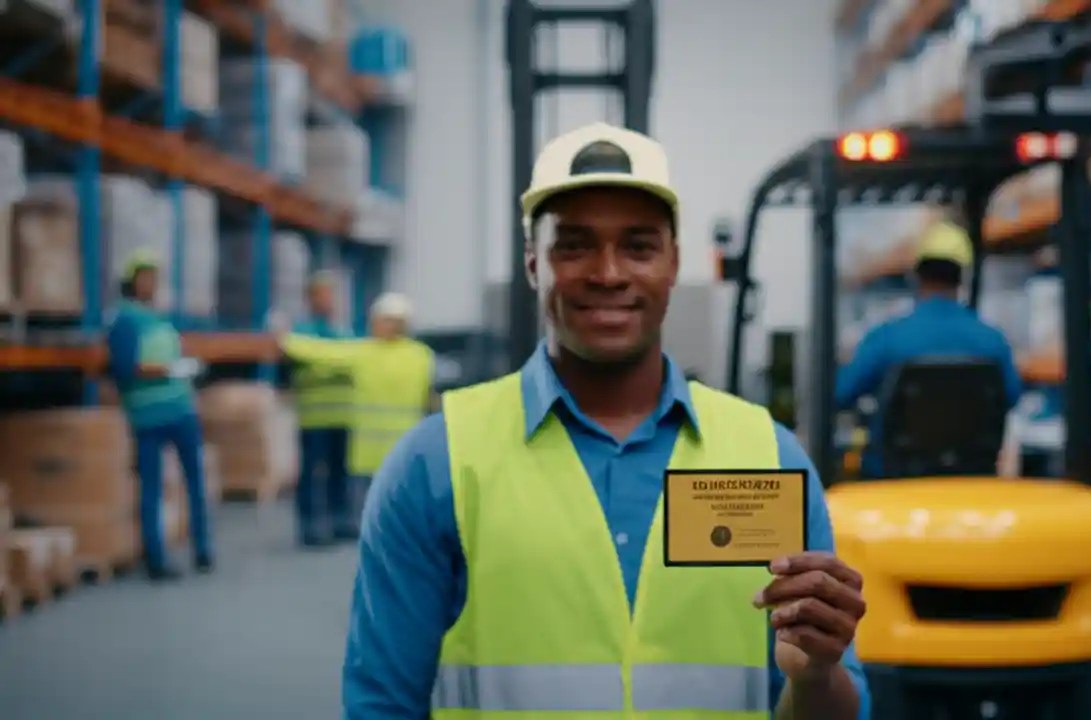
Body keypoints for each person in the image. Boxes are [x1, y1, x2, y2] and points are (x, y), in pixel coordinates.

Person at [342, 122, 871, 719]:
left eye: (639, 246)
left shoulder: (767, 457)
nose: (609, 273)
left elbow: (832, 709)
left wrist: (816, 674)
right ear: (532, 263)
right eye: (574, 246)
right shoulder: (436, 465)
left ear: (673, 263)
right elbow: (380, 704)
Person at [834, 219, 1023, 478]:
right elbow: (1011, 398)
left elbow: (841, 393)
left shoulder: (887, 338)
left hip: (894, 484)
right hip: (969, 482)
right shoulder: (993, 342)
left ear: (917, 275)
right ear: (961, 277)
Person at [278, 292, 434, 530]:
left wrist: (286, 340)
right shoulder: (421, 355)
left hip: (369, 451)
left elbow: (322, 353)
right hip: (406, 446)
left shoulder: (366, 352)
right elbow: (429, 397)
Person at [105, 250, 214, 581]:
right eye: (144, 276)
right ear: (131, 281)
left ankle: (203, 549)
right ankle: (156, 559)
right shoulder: (124, 321)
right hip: (148, 417)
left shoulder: (161, 320)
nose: (151, 283)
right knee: (151, 488)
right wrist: (170, 369)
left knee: (195, 482)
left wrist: (186, 369)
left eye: (154, 276)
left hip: (181, 411)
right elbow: (124, 369)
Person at [288, 271, 355, 547]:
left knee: (340, 471)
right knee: (311, 472)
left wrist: (325, 362)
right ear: (309, 298)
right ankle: (309, 526)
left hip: (342, 417)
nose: (326, 300)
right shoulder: (301, 332)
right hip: (313, 419)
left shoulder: (344, 331)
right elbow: (305, 365)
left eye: (329, 295)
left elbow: (353, 364)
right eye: (320, 295)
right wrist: (334, 363)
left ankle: (339, 521)